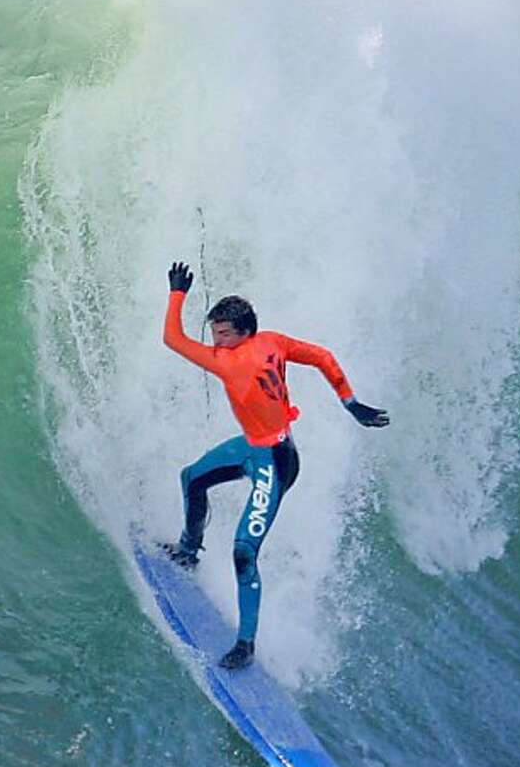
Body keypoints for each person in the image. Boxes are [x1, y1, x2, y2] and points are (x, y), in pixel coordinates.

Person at [161, 260, 389, 670]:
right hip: (253, 447)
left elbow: (172, 339)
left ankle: (245, 645)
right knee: (192, 478)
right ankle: (188, 551)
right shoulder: (273, 340)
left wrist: (177, 293)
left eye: (223, 334)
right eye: (214, 333)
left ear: (244, 331)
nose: (216, 341)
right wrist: (350, 402)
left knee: (243, 552)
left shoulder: (228, 361)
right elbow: (323, 356)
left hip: (276, 463)